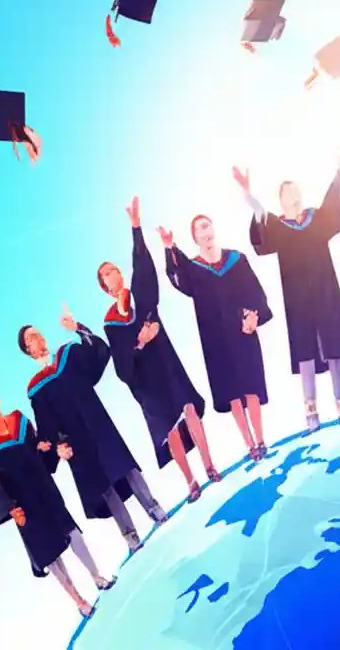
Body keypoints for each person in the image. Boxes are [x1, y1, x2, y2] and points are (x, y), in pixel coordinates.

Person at [99, 196, 219, 504]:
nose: (113, 275)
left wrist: (135, 227)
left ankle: (209, 465)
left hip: (164, 359)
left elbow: (145, 268)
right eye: (106, 275)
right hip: (144, 375)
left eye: (113, 270)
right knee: (169, 428)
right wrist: (139, 342)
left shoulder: (137, 291)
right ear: (104, 286)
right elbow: (121, 361)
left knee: (188, 408)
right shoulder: (110, 321)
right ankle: (190, 481)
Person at [19, 312, 167, 552]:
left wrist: (77, 327)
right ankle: (130, 536)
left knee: (125, 467)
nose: (39, 337)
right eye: (32, 337)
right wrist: (57, 446)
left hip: (96, 421)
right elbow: (45, 423)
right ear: (28, 349)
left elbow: (97, 353)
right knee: (104, 487)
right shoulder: (35, 387)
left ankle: (153, 508)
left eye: (38, 333)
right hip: (75, 439)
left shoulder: (67, 354)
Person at [236, 144, 340, 431]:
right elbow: (262, 220)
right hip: (297, 296)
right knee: (305, 348)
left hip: (326, 289)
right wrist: (249, 196)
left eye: (295, 191)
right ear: (281, 199)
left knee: (333, 341)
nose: (294, 195)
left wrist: (339, 168)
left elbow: (332, 203)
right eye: (287, 192)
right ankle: (311, 412)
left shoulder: (316, 217)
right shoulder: (278, 226)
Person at [0, 389, 114, 617]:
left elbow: (37, 443)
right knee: (49, 553)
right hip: (24, 505)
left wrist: (45, 448)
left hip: (44, 488)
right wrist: (11, 509)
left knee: (72, 531)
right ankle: (79, 600)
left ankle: (97, 576)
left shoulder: (18, 420)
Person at [160, 215, 274, 461]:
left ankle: (262, 440)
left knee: (251, 386)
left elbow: (256, 291)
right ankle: (249, 444)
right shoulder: (193, 268)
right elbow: (178, 279)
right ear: (195, 238)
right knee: (232, 392)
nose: (205, 230)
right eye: (199, 228)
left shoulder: (237, 259)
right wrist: (170, 247)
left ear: (214, 229)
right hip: (216, 340)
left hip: (242, 330)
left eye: (208, 225)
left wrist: (254, 317)